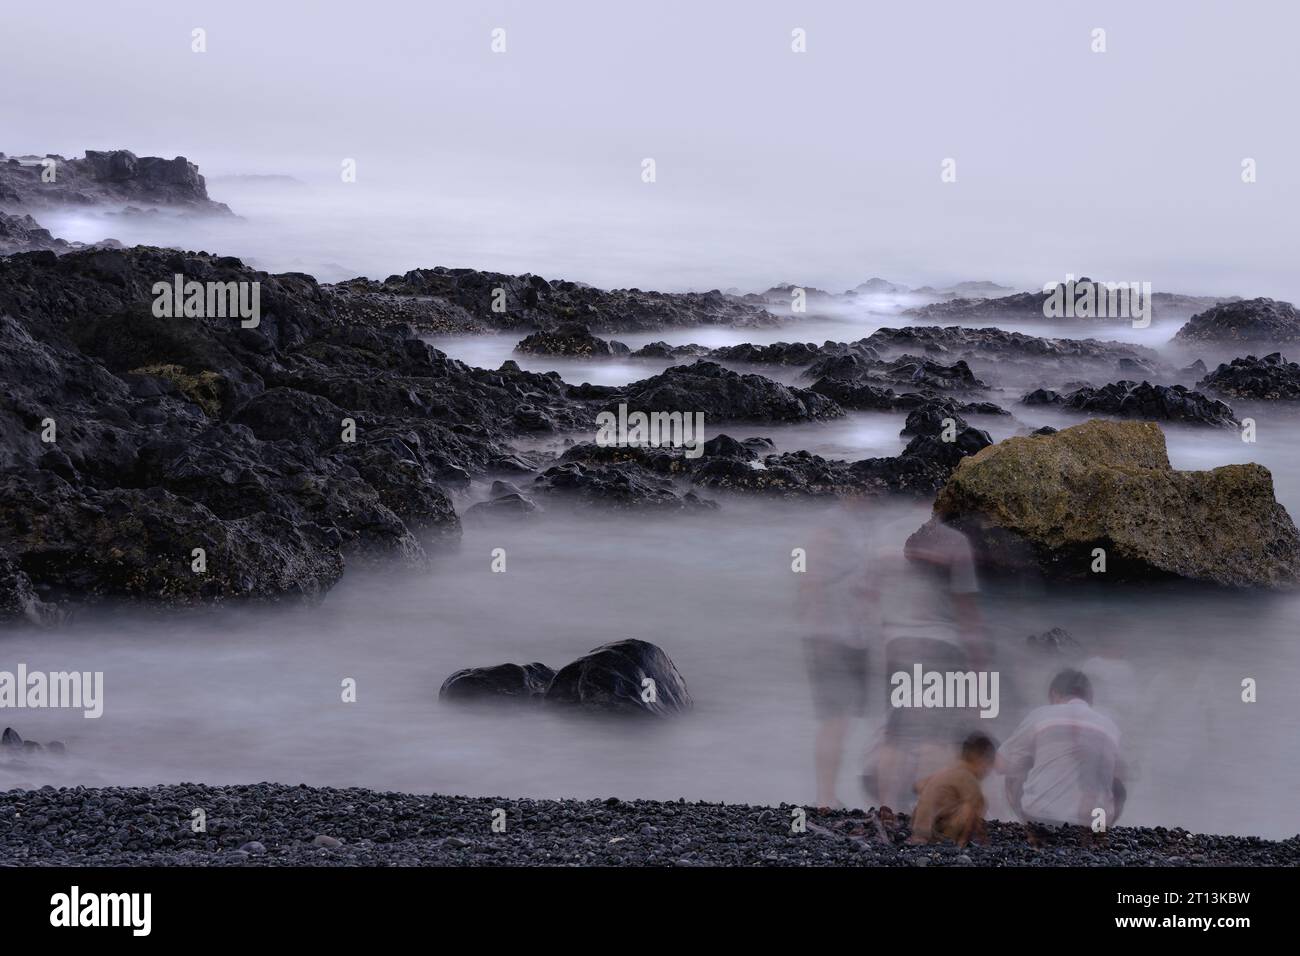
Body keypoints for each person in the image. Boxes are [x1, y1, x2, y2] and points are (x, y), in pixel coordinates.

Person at [868, 514, 985, 811]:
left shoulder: (886, 534)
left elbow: (869, 597)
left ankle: (887, 809)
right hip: (944, 643)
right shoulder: (956, 542)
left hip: (897, 642)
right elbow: (965, 608)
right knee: (938, 735)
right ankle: (929, 810)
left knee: (895, 733)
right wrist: (977, 658)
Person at [797, 499, 878, 809]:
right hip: (831, 635)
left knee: (855, 717)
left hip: (855, 634)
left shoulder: (859, 525)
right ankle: (826, 797)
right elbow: (809, 576)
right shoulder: (834, 524)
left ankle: (853, 795)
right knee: (837, 719)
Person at [998, 669, 1126, 835]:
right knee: (1115, 781)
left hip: (1042, 817)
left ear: (1054, 694)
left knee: (1015, 771)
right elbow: (1121, 778)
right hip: (1095, 822)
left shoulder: (1041, 716)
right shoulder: (1110, 726)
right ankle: (1098, 839)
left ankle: (1030, 834)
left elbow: (1001, 764)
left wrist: (1035, 760)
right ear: (1090, 697)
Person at [907, 732, 996, 846]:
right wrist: (976, 840)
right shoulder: (968, 777)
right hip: (940, 836)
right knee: (977, 803)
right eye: (988, 765)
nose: (987, 772)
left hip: (917, 828)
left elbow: (918, 786)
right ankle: (953, 842)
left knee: (956, 799)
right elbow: (974, 817)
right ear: (980, 760)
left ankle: (924, 835)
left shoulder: (948, 771)